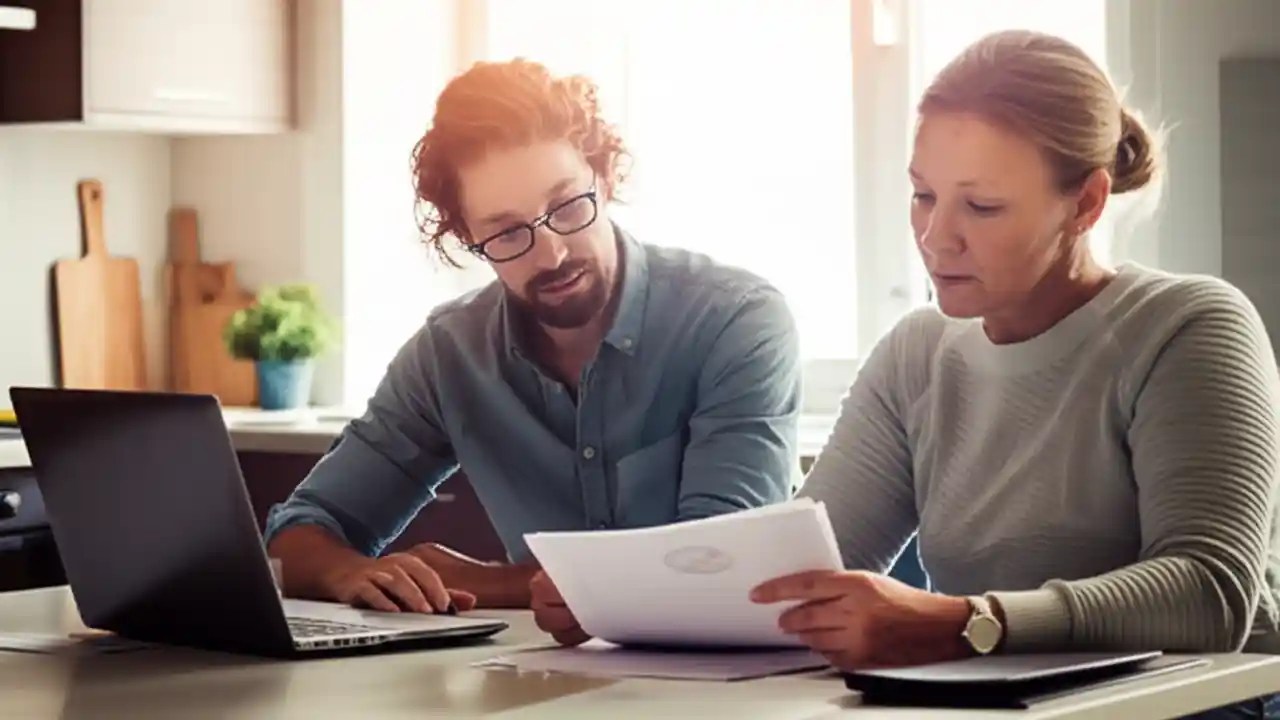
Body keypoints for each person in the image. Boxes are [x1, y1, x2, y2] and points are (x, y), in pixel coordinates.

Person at [750, 30, 1279, 718]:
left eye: (983, 206)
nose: (937, 237)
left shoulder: (1189, 326)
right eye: (922, 195)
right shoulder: (917, 353)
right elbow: (796, 575)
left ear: (1086, 203)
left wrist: (968, 621)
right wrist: (606, 606)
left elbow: (1208, 595)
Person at [263, 59, 801, 642]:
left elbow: (719, 568)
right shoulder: (450, 353)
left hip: (732, 684)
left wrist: (492, 583)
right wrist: (351, 573)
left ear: (606, 177)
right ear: (468, 240)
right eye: (507, 233)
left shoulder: (734, 320)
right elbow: (299, 530)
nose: (551, 255)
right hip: (548, 683)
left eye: (569, 208)